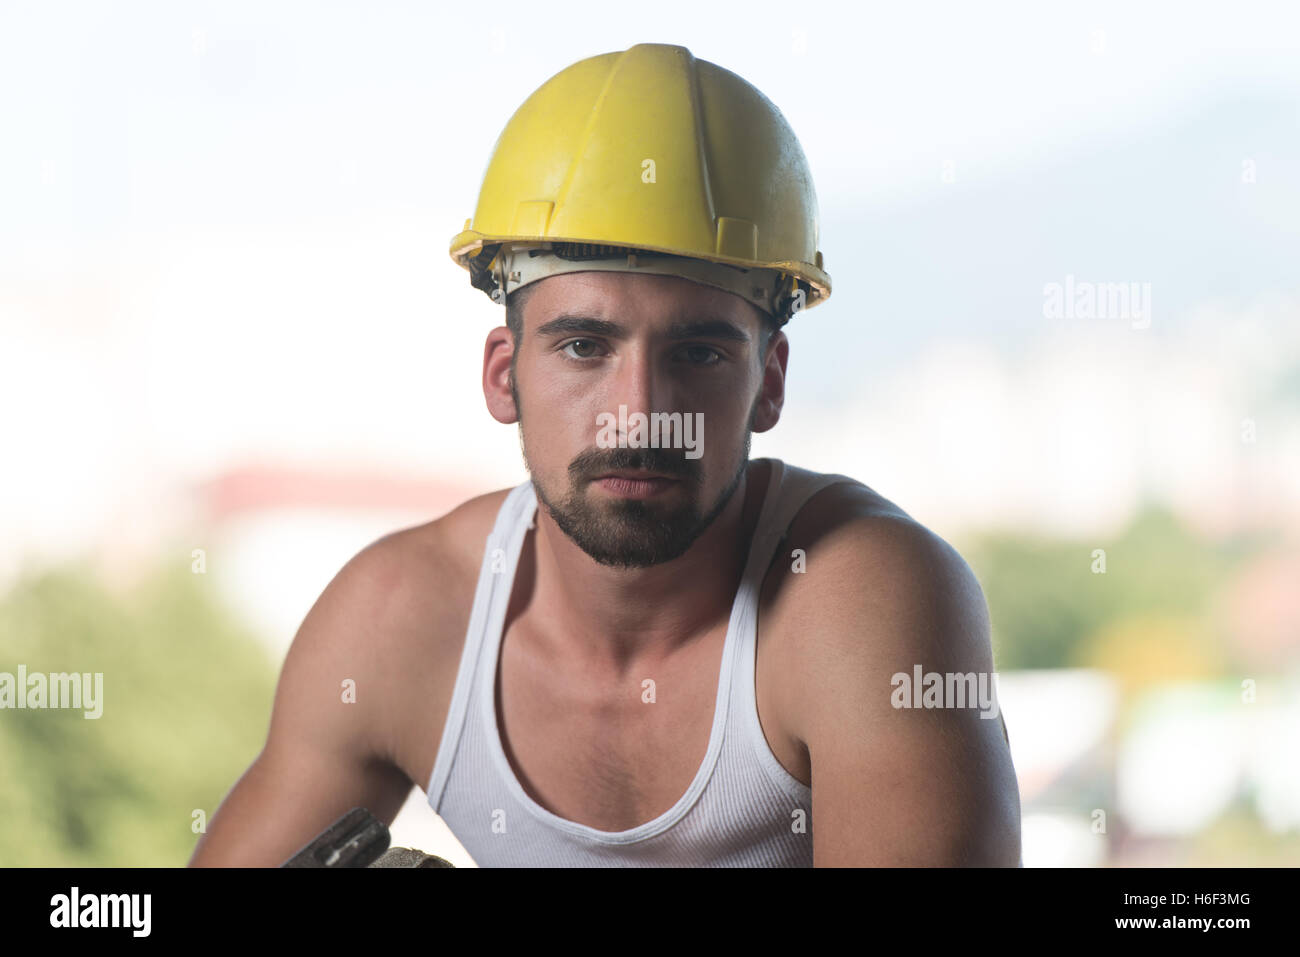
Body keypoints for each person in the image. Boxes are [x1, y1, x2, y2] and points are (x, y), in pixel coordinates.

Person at [188, 42, 1020, 868]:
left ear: (769, 385)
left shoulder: (860, 600)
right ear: (504, 376)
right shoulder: (399, 621)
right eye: (585, 346)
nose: (639, 415)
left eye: (697, 353)